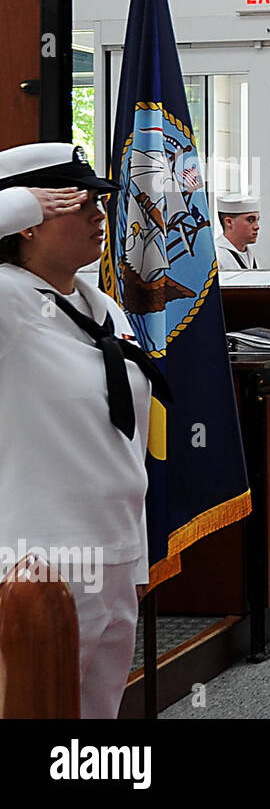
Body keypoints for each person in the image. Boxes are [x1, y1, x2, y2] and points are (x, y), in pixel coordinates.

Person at [0, 142, 167, 718]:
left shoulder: (104, 310)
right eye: (80, 204)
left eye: (100, 202)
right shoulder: (7, 301)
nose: (100, 216)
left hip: (113, 551)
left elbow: (127, 442)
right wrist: (18, 200)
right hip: (35, 562)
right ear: (29, 224)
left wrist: (136, 558)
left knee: (96, 723)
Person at [214, 193, 260, 269]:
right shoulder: (217, 256)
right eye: (250, 220)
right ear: (229, 222)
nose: (257, 227)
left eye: (257, 220)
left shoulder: (251, 255)